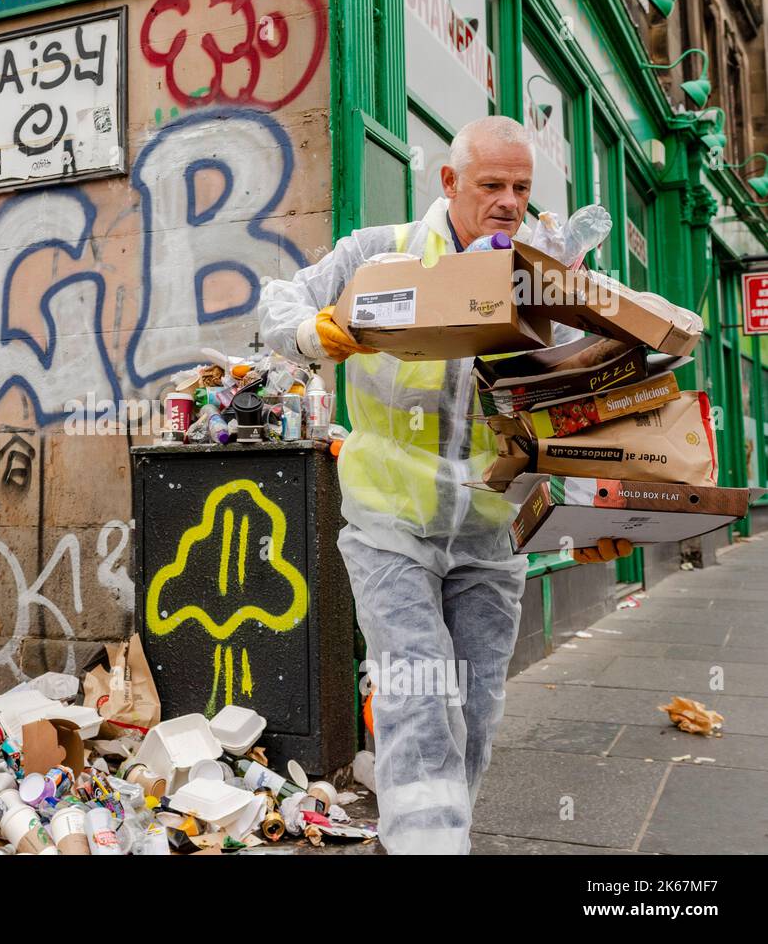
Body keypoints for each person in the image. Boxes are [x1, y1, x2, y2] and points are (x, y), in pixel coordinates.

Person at [259, 115, 631, 854]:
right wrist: (312, 335)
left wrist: (586, 518)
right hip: (391, 528)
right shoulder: (383, 255)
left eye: (522, 188)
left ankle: (428, 833)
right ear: (450, 181)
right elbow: (279, 303)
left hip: (493, 534)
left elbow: (576, 411)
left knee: (478, 708)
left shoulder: (541, 277)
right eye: (492, 185)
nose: (509, 201)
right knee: (418, 696)